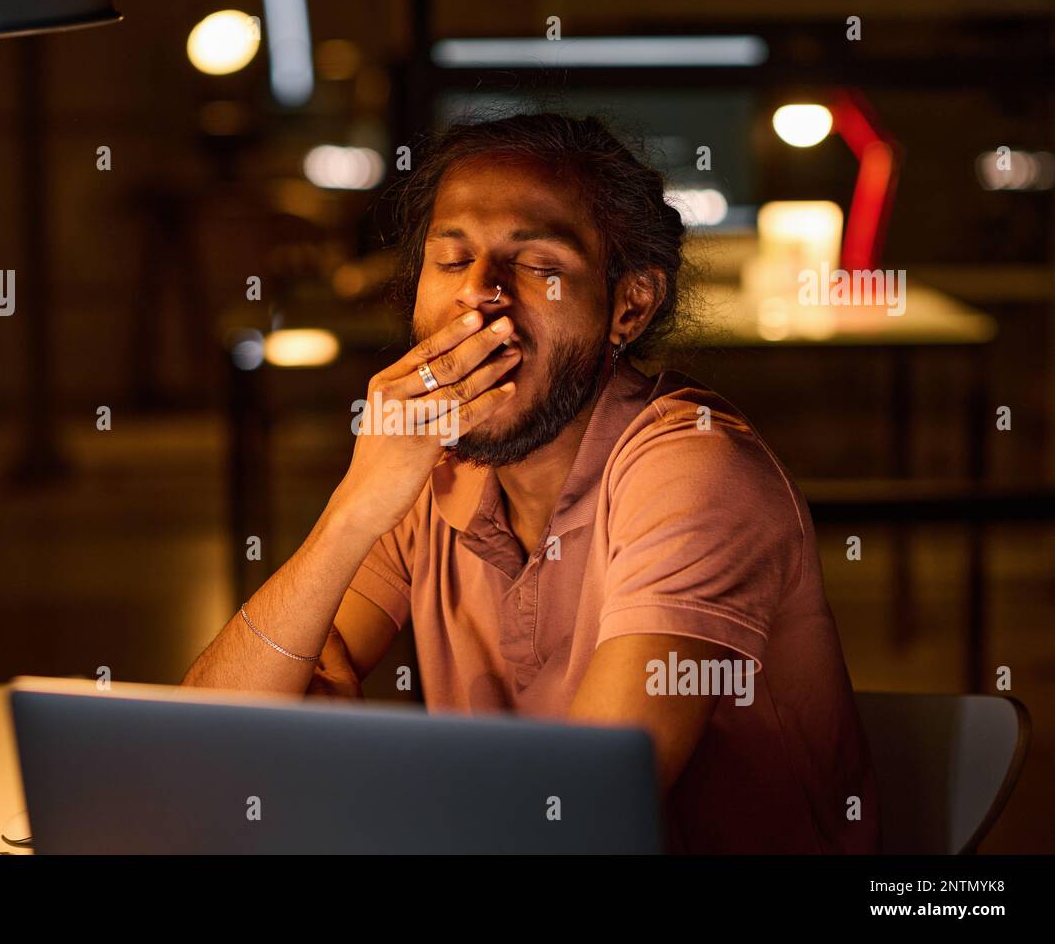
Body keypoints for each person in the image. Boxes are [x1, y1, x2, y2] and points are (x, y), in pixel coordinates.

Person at [183, 113, 880, 853]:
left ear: (629, 306)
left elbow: (588, 815)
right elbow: (208, 748)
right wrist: (352, 510)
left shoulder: (695, 470)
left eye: (539, 265)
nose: (480, 296)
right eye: (450, 261)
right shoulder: (428, 474)